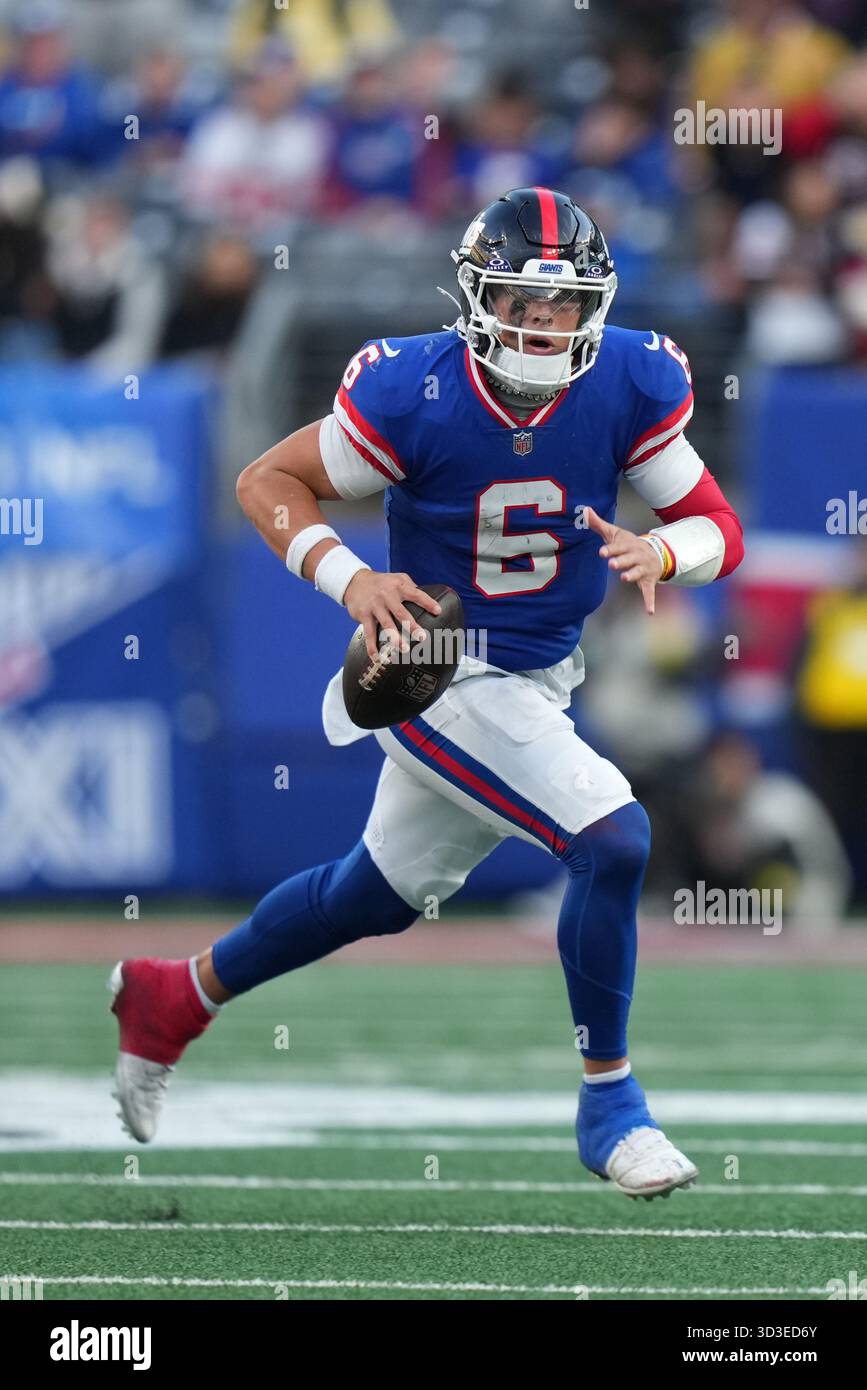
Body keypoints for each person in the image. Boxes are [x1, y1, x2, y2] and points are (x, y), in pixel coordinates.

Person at [109, 188, 744, 1199]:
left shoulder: (629, 375)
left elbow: (716, 521)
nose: (545, 326)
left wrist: (666, 546)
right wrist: (350, 580)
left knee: (373, 892)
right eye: (524, 305)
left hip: (540, 677)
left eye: (564, 305)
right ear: (477, 296)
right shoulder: (414, 388)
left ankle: (172, 995)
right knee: (614, 836)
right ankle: (609, 1098)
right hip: (436, 667)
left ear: (595, 305)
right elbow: (268, 483)